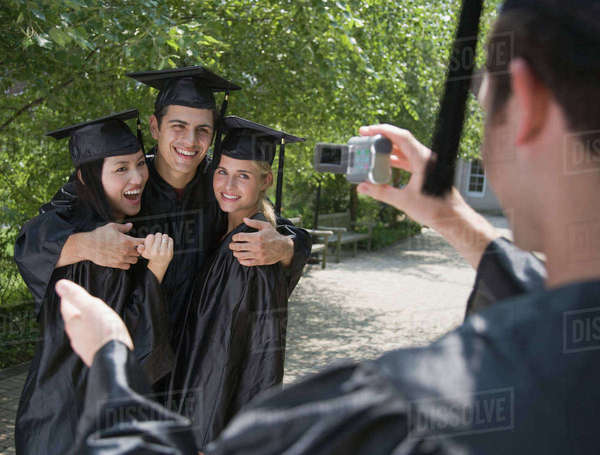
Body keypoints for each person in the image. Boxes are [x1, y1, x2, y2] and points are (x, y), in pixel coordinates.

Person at [14, 66, 311, 350]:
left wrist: (284, 248)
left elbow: (285, 233)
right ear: (155, 127)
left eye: (203, 130)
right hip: (134, 353)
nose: (190, 141)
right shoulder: (125, 187)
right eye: (178, 126)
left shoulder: (222, 187)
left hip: (197, 355)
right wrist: (84, 244)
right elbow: (32, 240)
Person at [14, 110, 175, 455]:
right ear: (87, 178)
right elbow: (132, 347)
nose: (138, 177)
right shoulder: (92, 237)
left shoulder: (85, 218)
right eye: (121, 168)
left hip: (49, 413)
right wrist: (155, 272)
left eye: (139, 163)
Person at [167, 116, 306, 448]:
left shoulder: (247, 249)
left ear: (266, 180)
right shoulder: (246, 232)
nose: (228, 186)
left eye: (243, 175)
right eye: (222, 172)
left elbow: (223, 351)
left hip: (211, 418)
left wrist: (199, 434)